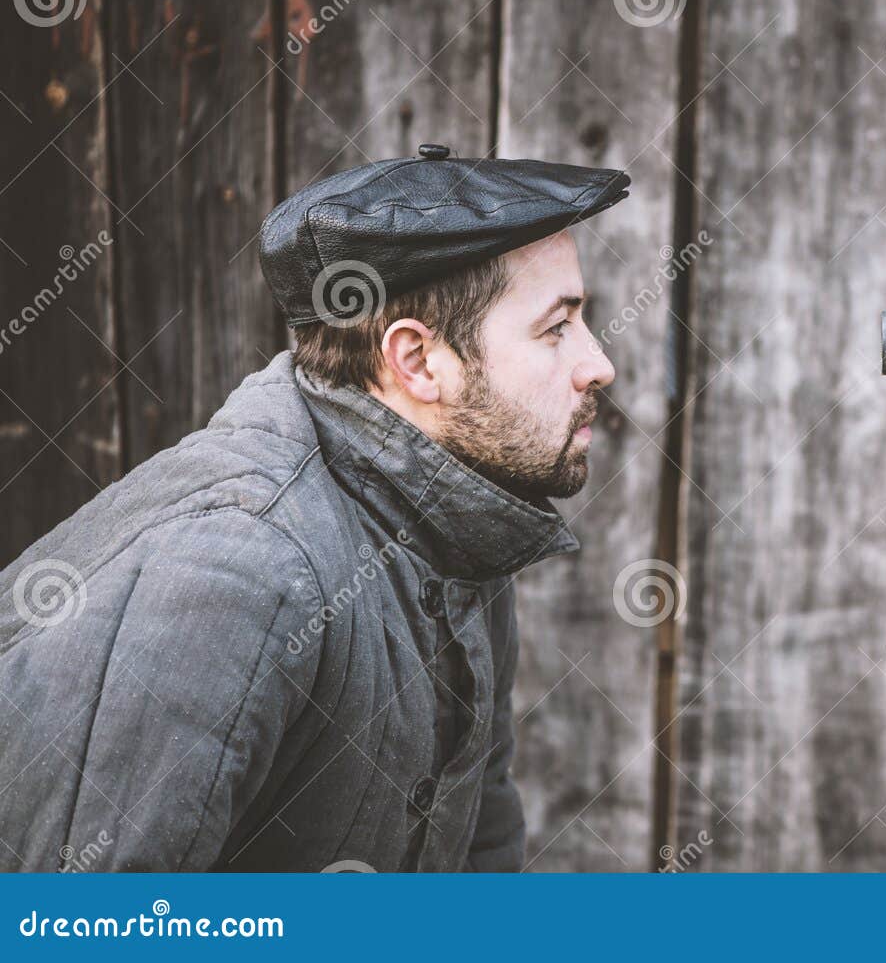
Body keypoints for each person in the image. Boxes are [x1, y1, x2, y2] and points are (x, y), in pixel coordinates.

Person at [0, 144, 629, 871]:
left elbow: (481, 853)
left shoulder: (463, 526)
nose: (599, 363)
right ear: (417, 362)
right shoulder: (237, 572)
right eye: (556, 329)